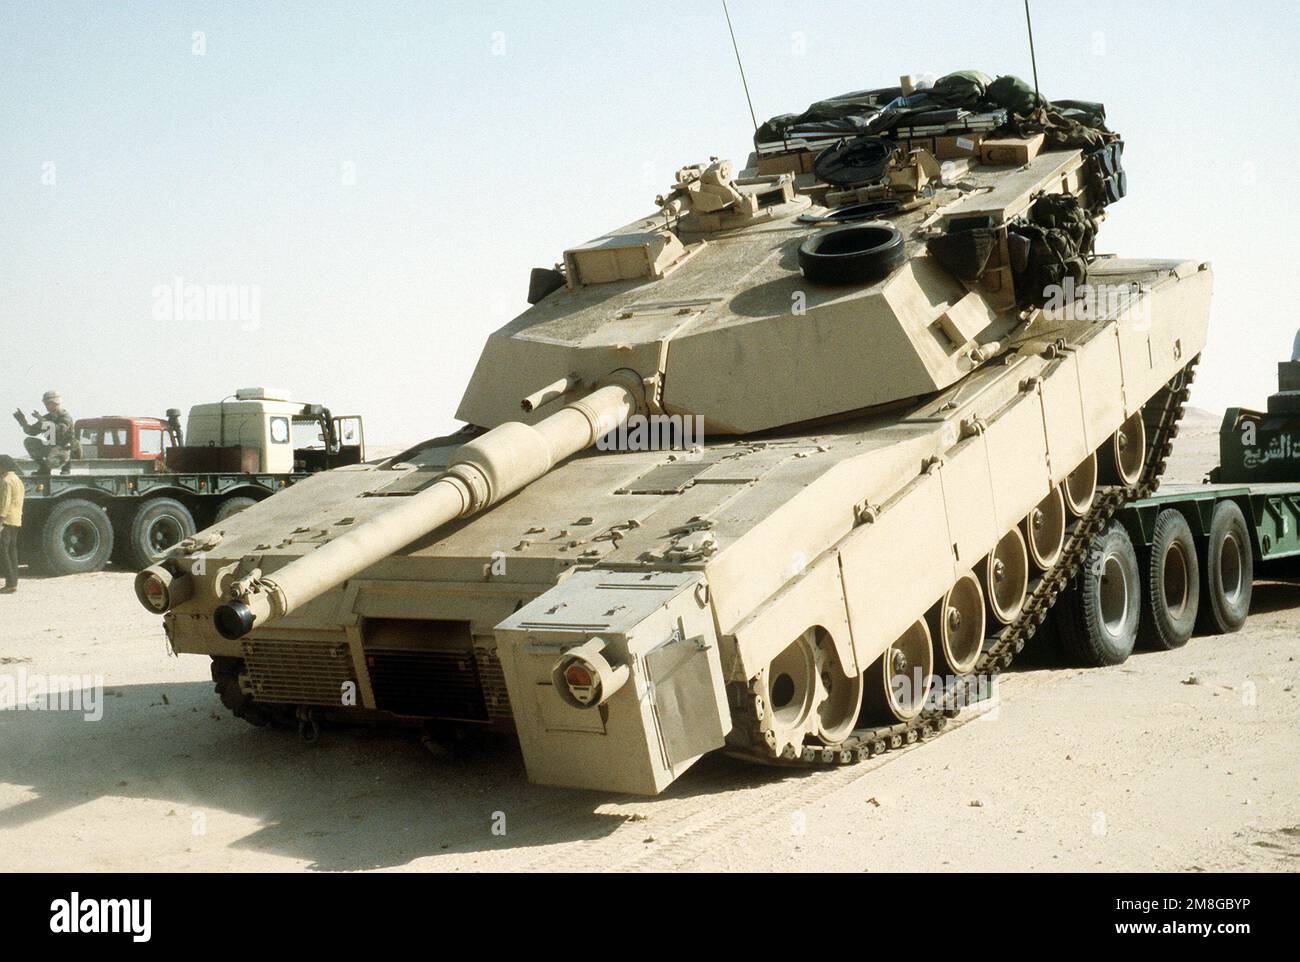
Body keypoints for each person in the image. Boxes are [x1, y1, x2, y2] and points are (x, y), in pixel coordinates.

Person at [13, 390, 78, 475]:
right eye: (45, 403)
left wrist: (42, 420)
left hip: (63, 448)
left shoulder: (65, 416)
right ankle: (44, 468)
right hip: (50, 447)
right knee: (29, 442)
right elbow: (32, 431)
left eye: (48, 403)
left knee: (53, 458)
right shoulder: (48, 417)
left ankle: (66, 465)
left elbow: (59, 430)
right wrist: (22, 421)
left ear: (55, 403)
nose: (46, 406)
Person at [0, 454, 22, 593]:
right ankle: (14, 581)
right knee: (12, 551)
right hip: (16, 519)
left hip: (6, 519)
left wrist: (1, 518)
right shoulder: (17, 479)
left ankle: (10, 583)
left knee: (3, 552)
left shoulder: (6, 480)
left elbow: (5, 501)